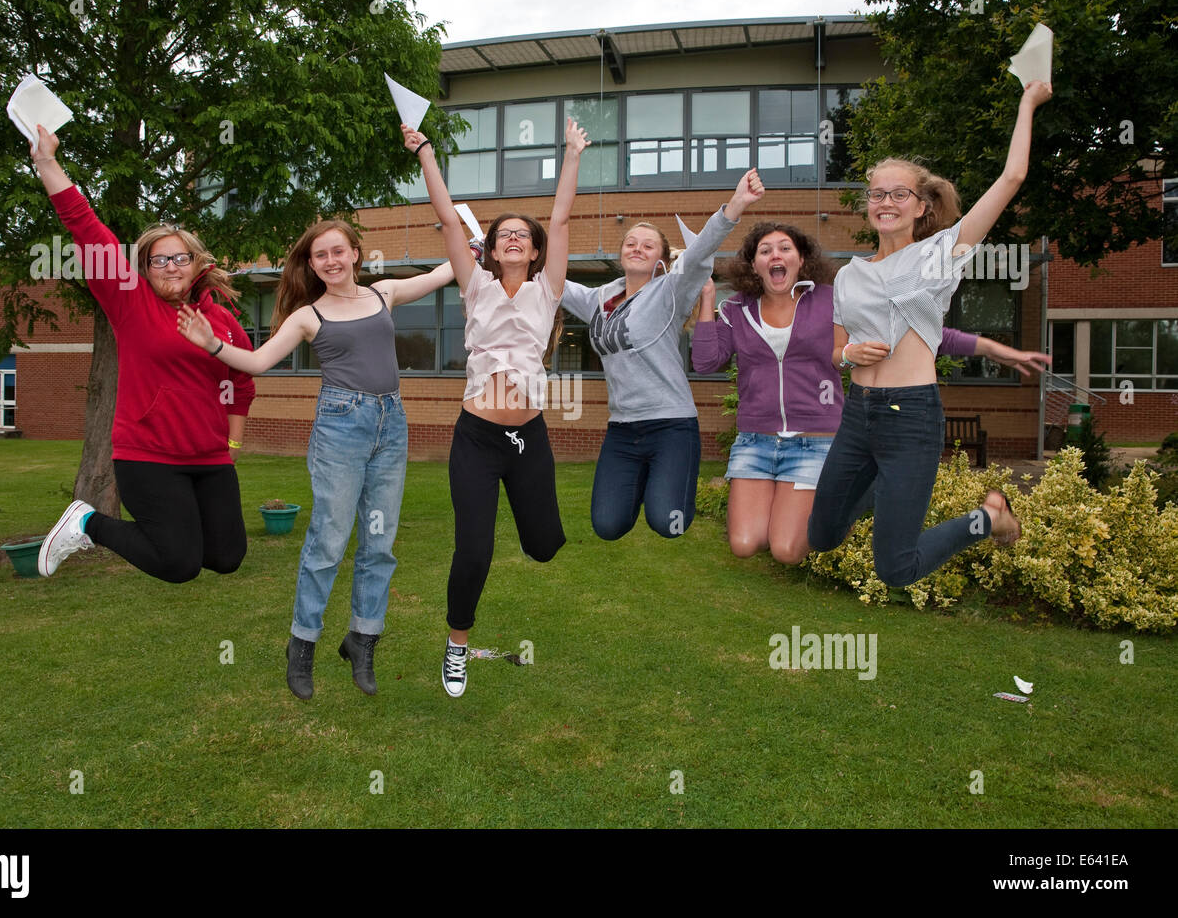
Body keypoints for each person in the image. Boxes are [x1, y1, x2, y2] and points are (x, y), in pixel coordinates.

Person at [178, 222, 455, 700]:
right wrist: (213, 345)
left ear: (355, 254)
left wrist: (475, 245)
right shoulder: (309, 316)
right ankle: (302, 644)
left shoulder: (384, 294)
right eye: (320, 255)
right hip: (341, 426)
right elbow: (260, 361)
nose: (330, 261)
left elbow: (448, 271)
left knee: (380, 541)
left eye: (338, 251)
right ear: (312, 264)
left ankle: (362, 640)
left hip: (391, 422)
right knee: (328, 541)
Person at [805, 80, 1053, 587]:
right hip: (859, 414)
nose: (886, 201)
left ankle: (988, 520)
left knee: (895, 569)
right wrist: (848, 351)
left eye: (900, 193)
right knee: (823, 535)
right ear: (868, 206)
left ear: (921, 206)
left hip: (910, 416)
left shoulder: (942, 254)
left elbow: (1013, 177)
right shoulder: (848, 275)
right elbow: (834, 353)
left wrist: (1027, 102)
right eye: (877, 194)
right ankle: (888, 485)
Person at [693, 219, 1052, 564]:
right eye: (764, 250)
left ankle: (871, 484)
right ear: (753, 265)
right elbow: (707, 362)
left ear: (801, 260)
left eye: (784, 248)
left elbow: (919, 331)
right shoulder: (736, 309)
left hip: (815, 441)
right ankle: (873, 482)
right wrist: (707, 296)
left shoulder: (832, 299)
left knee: (787, 549)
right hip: (755, 441)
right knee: (743, 544)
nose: (775, 255)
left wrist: (992, 349)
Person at [403, 117, 588, 698]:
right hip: (478, 438)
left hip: (528, 437)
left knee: (544, 545)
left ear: (534, 252)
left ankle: (532, 537)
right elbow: (446, 219)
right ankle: (457, 647)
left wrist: (572, 154)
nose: (512, 238)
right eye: (503, 233)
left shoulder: (547, 289)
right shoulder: (474, 285)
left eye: (521, 235)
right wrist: (426, 152)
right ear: (491, 247)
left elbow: (560, 218)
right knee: (474, 549)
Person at [30, 124, 257, 583]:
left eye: (180, 258)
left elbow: (243, 382)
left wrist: (231, 443)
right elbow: (86, 227)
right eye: (159, 259)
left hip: (210, 458)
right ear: (144, 269)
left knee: (226, 556)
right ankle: (86, 522)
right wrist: (47, 163)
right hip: (149, 455)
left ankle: (152, 529)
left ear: (197, 264)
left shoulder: (223, 319)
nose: (170, 266)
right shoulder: (129, 300)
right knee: (178, 564)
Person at [559, 169, 764, 541]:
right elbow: (554, 282)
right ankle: (642, 481)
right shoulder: (599, 299)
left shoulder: (671, 290)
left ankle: (666, 484)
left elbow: (702, 250)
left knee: (667, 523)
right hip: (621, 429)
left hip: (671, 425)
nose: (637, 248)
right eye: (630, 243)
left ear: (661, 258)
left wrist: (735, 205)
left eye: (647, 245)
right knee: (608, 526)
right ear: (621, 253)